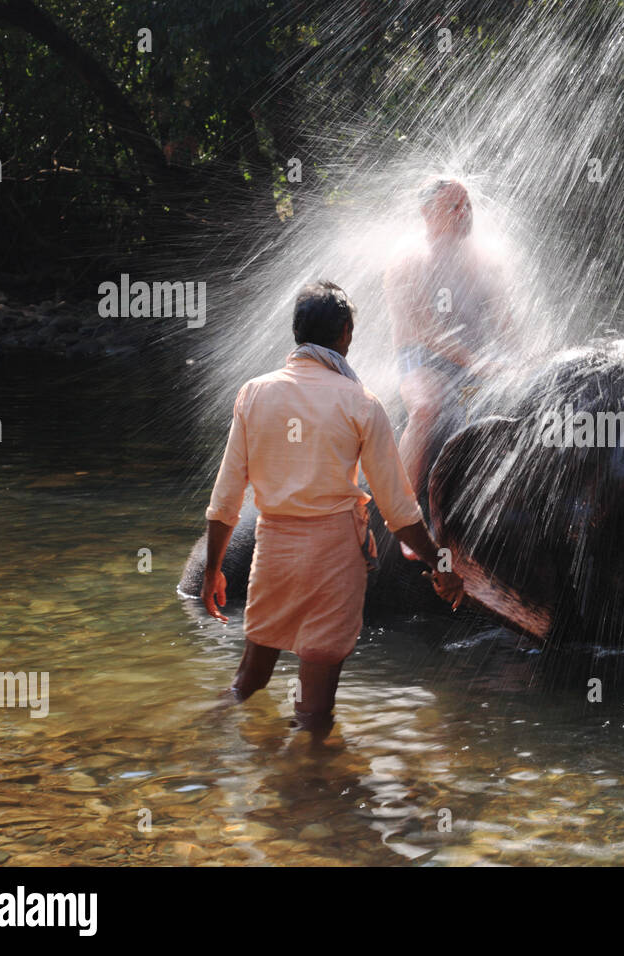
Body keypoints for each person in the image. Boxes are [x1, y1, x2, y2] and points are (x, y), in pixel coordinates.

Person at [201, 280, 463, 743]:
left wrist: (213, 570)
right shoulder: (360, 402)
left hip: (273, 551)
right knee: (314, 709)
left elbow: (225, 500)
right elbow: (398, 509)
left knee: (248, 681)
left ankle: (196, 741)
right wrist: (440, 563)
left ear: (297, 333)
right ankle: (312, 806)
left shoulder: (254, 394)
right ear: (345, 332)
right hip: (333, 557)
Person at [383, 177, 515, 490]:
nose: (464, 212)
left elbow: (505, 321)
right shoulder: (410, 256)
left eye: (467, 205)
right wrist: (475, 363)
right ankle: (404, 512)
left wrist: (519, 361)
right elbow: (425, 330)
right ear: (427, 213)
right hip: (422, 358)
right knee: (425, 407)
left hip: (477, 356)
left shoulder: (483, 257)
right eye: (453, 206)